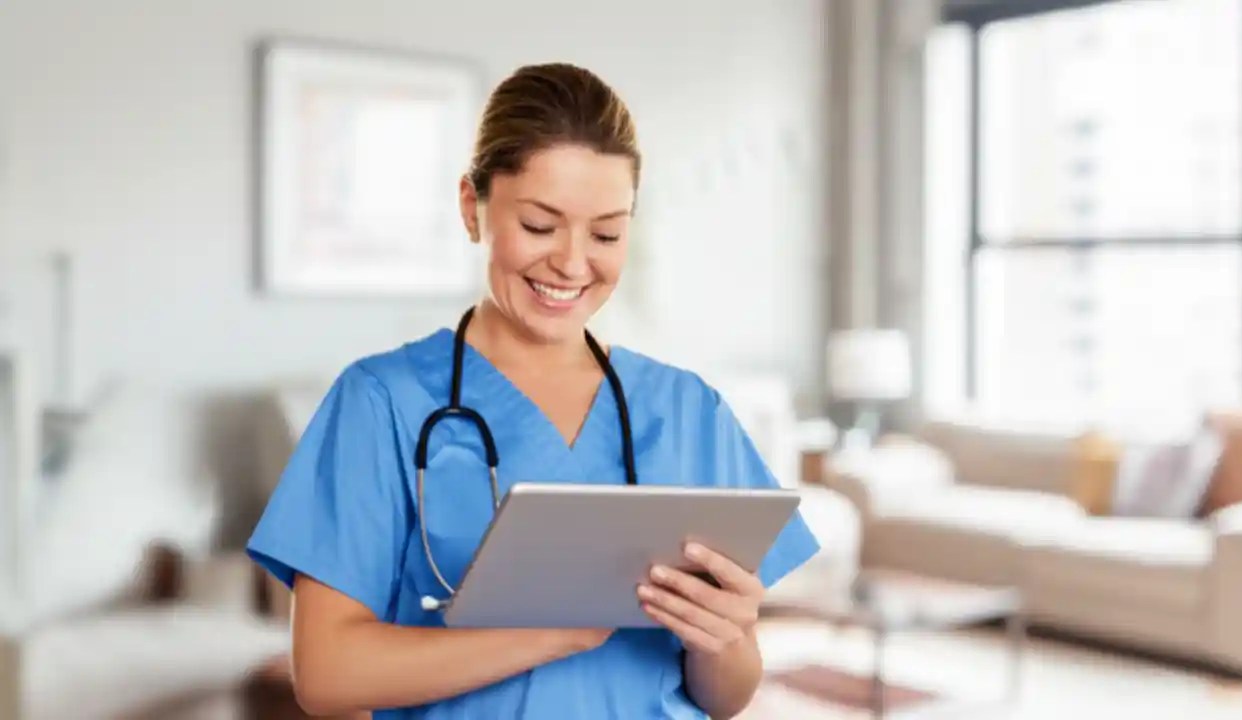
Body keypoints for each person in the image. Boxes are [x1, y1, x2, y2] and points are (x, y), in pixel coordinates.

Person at [246, 61, 819, 719]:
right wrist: (549, 632)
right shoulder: (381, 403)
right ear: (472, 207)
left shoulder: (689, 411)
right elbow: (327, 676)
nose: (574, 264)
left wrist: (721, 639)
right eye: (540, 226)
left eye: (606, 232)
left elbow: (729, 695)